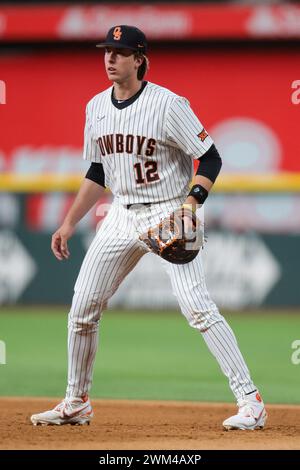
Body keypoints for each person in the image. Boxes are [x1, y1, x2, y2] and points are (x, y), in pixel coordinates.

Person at [31, 25, 267, 430]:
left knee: (197, 307)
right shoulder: (95, 108)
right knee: (82, 309)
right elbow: (97, 171)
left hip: (172, 208)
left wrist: (192, 206)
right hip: (121, 213)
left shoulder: (168, 104)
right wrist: (69, 223)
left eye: (120, 52)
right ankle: (76, 401)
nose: (110, 58)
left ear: (139, 59)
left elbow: (210, 158)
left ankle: (251, 401)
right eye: (107, 51)